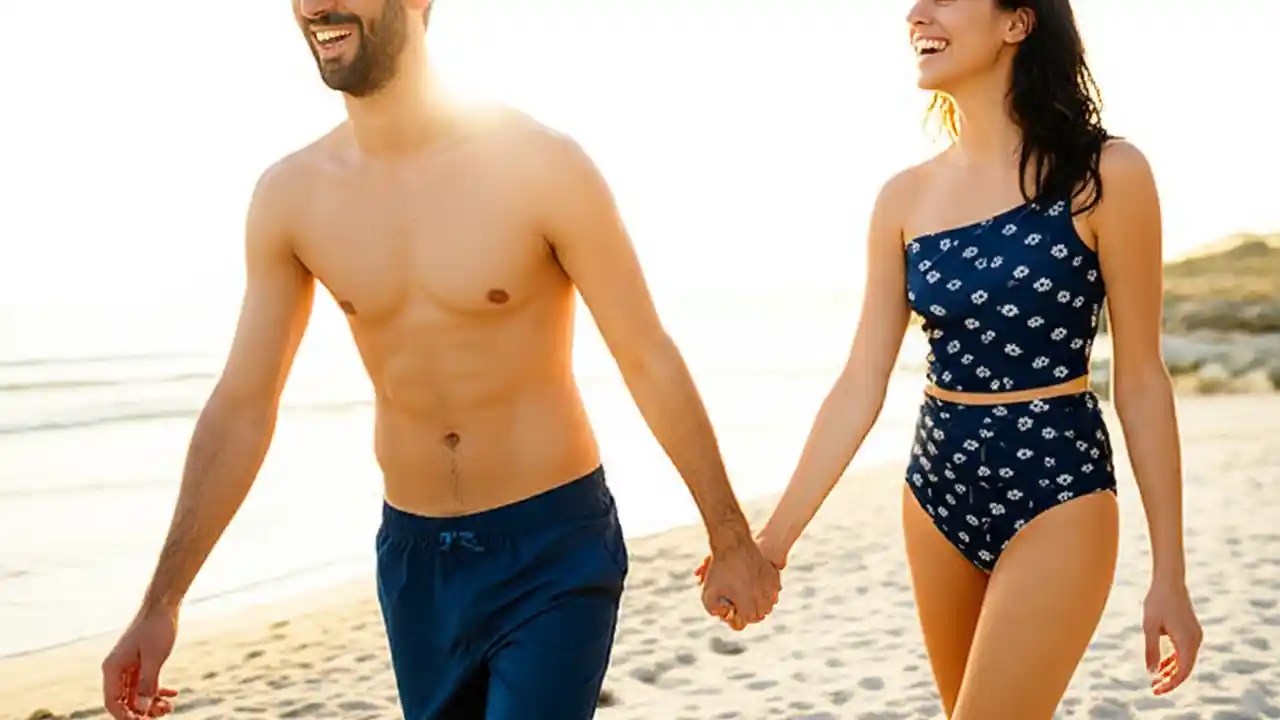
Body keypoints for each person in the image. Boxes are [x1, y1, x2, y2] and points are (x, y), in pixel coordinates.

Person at [99, 1, 780, 718]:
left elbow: (645, 353)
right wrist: (161, 602)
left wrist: (728, 532)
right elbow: (243, 405)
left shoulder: (541, 165)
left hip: (552, 545)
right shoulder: (291, 196)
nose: (315, 5)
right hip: (415, 563)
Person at [737, 1, 1203, 717]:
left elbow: (1141, 379)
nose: (916, 12)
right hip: (935, 488)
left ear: (1017, 22)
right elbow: (861, 380)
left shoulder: (1105, 173)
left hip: (1058, 483)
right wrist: (771, 543)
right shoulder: (904, 197)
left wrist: (1169, 573)